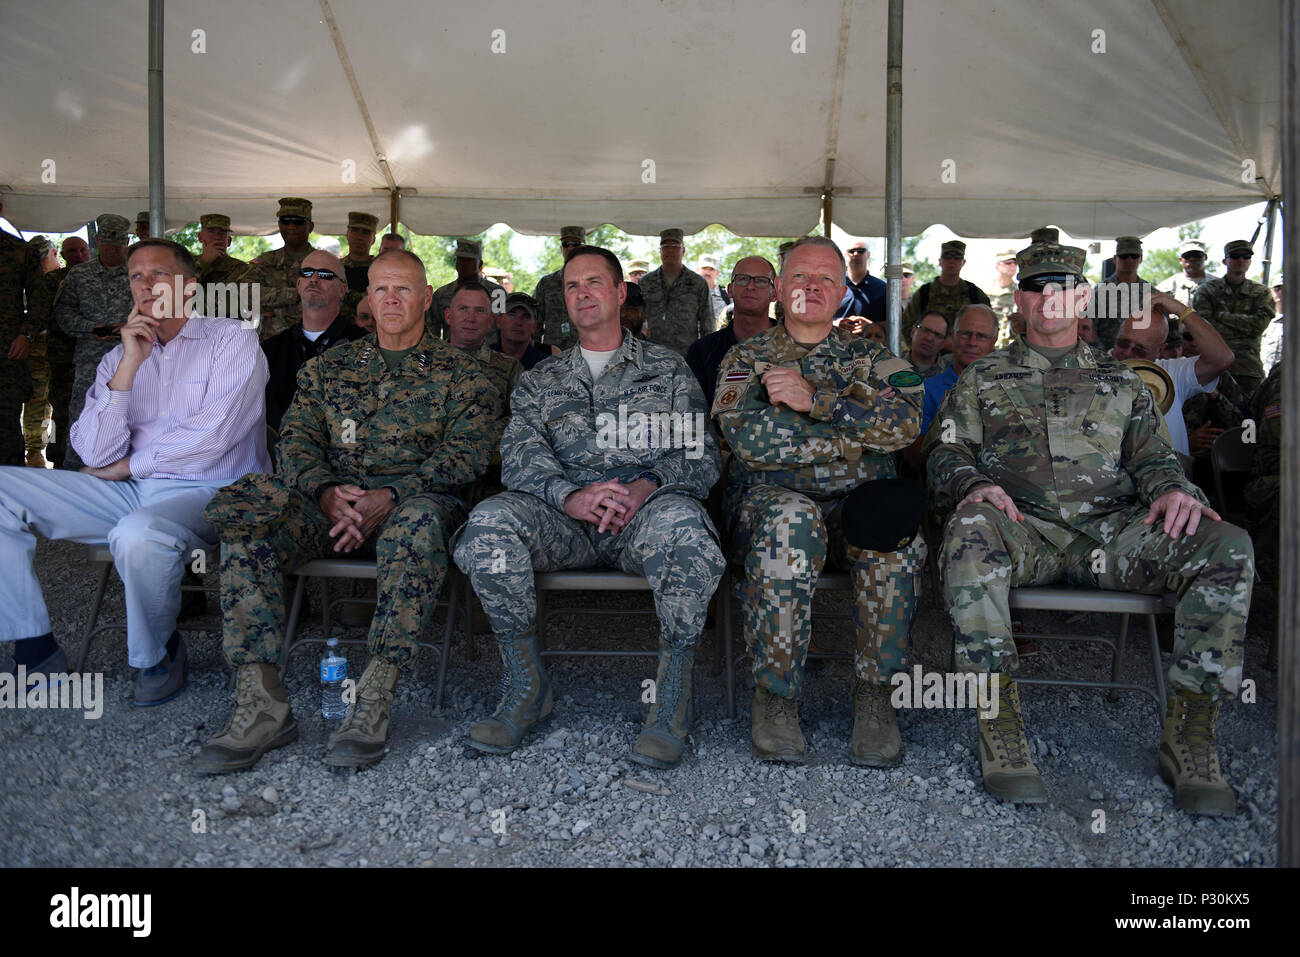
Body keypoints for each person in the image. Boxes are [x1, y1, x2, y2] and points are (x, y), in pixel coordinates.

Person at [925, 237, 1252, 816]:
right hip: (1022, 531)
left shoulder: (1123, 380)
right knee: (969, 530)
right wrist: (973, 486)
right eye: (1037, 288)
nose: (1051, 297)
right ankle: (998, 720)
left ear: (1083, 299)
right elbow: (946, 453)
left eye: (1065, 287)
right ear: (1019, 302)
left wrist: (1175, 488)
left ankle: (1191, 735)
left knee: (1226, 544)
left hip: (1116, 534)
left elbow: (1153, 457)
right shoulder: (981, 379)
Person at [195, 249, 499, 773]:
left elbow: (469, 454)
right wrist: (324, 492)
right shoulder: (327, 369)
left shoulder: (462, 376)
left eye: (404, 289)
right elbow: (295, 440)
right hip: (331, 506)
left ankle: (374, 695)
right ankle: (261, 700)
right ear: (366, 298)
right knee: (251, 517)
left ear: (428, 298)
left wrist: (395, 494)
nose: (391, 299)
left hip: (413, 506)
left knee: (419, 524)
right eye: (381, 289)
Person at [453, 245, 723, 769]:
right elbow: (519, 457)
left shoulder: (668, 369)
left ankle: (670, 701)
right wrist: (570, 497)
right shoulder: (540, 380)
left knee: (689, 532)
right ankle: (526, 687)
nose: (582, 293)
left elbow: (701, 453)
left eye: (594, 282)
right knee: (487, 525)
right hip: (564, 523)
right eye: (572, 286)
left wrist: (646, 486)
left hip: (642, 517)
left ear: (620, 293)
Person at [0, 239, 270, 703]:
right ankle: (35, 646)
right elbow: (92, 449)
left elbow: (214, 438)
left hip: (213, 493)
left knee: (138, 532)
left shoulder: (232, 339)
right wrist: (128, 365)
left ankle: (157, 652)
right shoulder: (119, 356)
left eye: (159, 274)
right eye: (136, 276)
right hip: (132, 491)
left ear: (190, 286)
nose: (146, 285)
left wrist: (128, 464)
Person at [713, 236, 924, 766]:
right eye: (800, 277)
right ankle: (777, 697)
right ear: (780, 289)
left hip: (858, 505)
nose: (812, 287)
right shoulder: (745, 358)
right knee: (793, 519)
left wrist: (814, 402)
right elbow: (751, 444)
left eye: (826, 278)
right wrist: (855, 432)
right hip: (771, 505)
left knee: (890, 535)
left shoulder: (875, 360)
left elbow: (903, 427)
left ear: (842, 290)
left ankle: (877, 698)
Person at [54, 213, 133, 471]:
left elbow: (158, 312)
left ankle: (122, 476)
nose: (113, 252)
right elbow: (62, 313)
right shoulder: (79, 275)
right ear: (98, 240)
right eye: (108, 246)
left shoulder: (138, 274)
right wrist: (90, 328)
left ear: (128, 242)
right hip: (90, 362)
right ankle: (73, 477)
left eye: (119, 246)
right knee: (82, 419)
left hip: (132, 362)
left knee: (130, 419)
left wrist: (131, 328)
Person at [1110, 292, 1234, 456]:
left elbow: (1222, 359)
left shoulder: (1171, 373)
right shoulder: (1094, 367)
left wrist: (1182, 311)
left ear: (1160, 350)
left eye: (1140, 350)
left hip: (1170, 476)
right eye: (1122, 343)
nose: (1127, 353)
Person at [261, 250, 366, 435]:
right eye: (307, 273)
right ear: (299, 285)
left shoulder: (366, 347)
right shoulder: (270, 351)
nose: (314, 279)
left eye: (325, 275)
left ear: (342, 290)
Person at [684, 256, 776, 408]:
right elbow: (694, 415)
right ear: (730, 290)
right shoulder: (702, 352)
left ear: (775, 293)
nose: (750, 286)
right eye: (742, 279)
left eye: (760, 280)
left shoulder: (794, 346)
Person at [1192, 240, 1275, 398]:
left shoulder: (1261, 293)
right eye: (1235, 256)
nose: (1241, 260)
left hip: (1248, 369)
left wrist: (1222, 315)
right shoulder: (1207, 290)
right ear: (1225, 261)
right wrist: (1243, 328)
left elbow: (1258, 326)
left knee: (1248, 417)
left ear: (1250, 261)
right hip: (1212, 367)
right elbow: (1203, 327)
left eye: (1246, 256)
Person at [239, 197, 316, 342]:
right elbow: (245, 293)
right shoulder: (266, 261)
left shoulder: (323, 263)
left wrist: (270, 303)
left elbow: (332, 298)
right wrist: (296, 294)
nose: (291, 226)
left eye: (298, 221)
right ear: (279, 225)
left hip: (312, 346)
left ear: (310, 226)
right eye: (285, 221)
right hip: (270, 345)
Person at [639, 228, 715, 356]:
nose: (670, 250)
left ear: (683, 250)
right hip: (651, 354)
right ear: (660, 251)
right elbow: (637, 318)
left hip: (687, 356)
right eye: (665, 246)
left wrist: (706, 355)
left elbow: (707, 323)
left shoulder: (697, 283)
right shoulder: (645, 282)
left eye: (675, 246)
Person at [19, 236, 59, 469]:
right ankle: (35, 450)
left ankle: (50, 447)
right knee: (38, 400)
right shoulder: (25, 281)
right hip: (36, 350)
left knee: (59, 401)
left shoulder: (65, 279)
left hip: (63, 350)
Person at [901, 240, 989, 341]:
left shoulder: (975, 294)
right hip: (930, 353)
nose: (952, 261)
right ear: (940, 261)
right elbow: (906, 327)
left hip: (966, 353)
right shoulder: (924, 293)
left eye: (957, 257)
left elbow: (988, 329)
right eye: (947, 256)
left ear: (963, 262)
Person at [429, 238, 505, 341]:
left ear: (480, 265)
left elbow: (504, 328)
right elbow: (432, 331)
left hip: (489, 354)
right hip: (452, 354)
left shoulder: (497, 293)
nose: (463, 264)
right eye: (460, 259)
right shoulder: (441, 294)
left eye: (469, 260)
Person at [1092, 235, 1152, 351]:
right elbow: (1090, 330)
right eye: (1123, 256)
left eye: (1134, 256)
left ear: (1141, 259)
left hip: (1140, 359)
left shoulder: (1151, 293)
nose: (1129, 260)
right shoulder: (1100, 291)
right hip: (1108, 359)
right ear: (1115, 259)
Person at [534, 227, 588, 352]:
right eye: (565, 244)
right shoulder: (546, 283)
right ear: (561, 249)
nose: (570, 248)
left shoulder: (594, 282)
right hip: (554, 356)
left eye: (575, 244)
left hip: (587, 352)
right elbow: (535, 322)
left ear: (584, 248)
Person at [193, 214, 248, 315]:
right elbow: (180, 294)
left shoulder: (241, 268)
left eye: (222, 233)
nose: (217, 237)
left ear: (229, 241)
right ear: (200, 237)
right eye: (211, 231)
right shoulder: (186, 263)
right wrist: (203, 263)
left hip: (227, 327)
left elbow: (239, 303)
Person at [834, 239, 888, 325]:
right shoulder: (833, 285)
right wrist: (835, 324)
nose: (855, 254)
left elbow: (898, 321)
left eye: (861, 251)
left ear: (868, 254)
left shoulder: (883, 288)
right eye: (851, 251)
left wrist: (871, 326)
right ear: (845, 255)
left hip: (869, 338)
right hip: (836, 337)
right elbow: (817, 316)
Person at [493, 292, 548, 370]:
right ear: (499, 321)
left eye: (526, 317)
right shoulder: (481, 361)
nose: (518, 322)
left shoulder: (547, 366)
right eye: (512, 315)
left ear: (534, 327)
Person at [340, 211, 379, 321]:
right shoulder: (335, 268)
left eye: (366, 232)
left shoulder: (381, 270)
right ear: (347, 234)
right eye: (355, 231)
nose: (359, 237)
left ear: (373, 239)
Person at [1157, 240, 1213, 307]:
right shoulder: (1167, 286)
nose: (1192, 259)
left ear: (1205, 257)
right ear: (1180, 260)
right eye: (1187, 256)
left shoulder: (1219, 285)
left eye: (1197, 255)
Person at [908, 309, 952, 378]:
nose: (929, 338)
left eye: (937, 335)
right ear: (913, 331)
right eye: (925, 330)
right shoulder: (893, 366)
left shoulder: (950, 373)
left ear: (944, 343)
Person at [989, 249, 1018, 347]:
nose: (1012, 266)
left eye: (1015, 263)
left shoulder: (1020, 292)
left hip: (1010, 347)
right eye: (1008, 263)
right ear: (997, 266)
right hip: (988, 345)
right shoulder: (986, 291)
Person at [1258, 274, 1284, 375]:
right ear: (1271, 291)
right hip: (1265, 379)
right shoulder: (1264, 319)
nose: (1281, 292)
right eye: (1277, 288)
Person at [698, 255, 730, 320]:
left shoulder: (727, 295)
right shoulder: (686, 293)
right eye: (704, 268)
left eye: (711, 269)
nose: (707, 272)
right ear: (697, 270)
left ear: (717, 273)